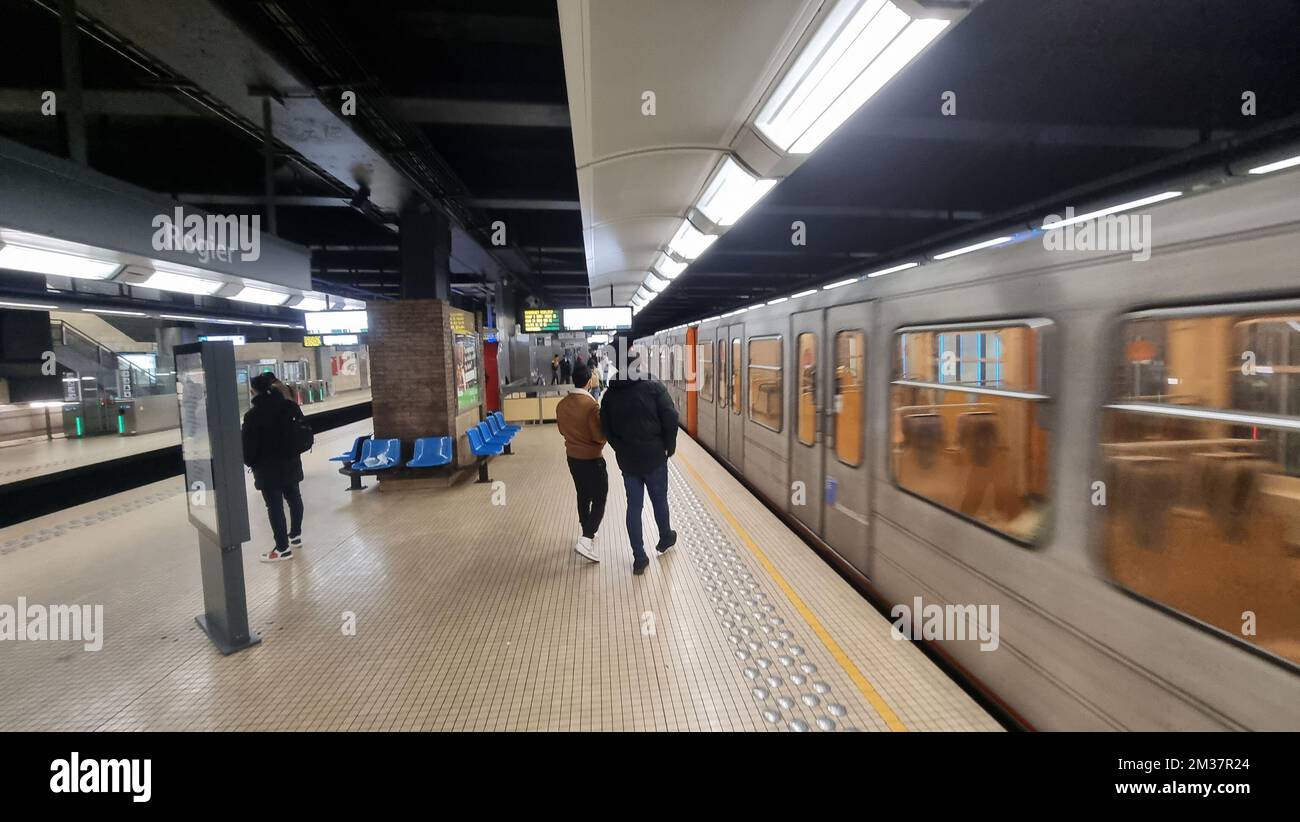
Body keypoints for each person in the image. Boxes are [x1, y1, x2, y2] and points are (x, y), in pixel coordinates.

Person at [600, 344, 678, 575]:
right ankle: (665, 537)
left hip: (628, 461)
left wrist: (620, 448)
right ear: (638, 365)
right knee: (659, 500)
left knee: (634, 506)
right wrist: (668, 447)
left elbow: (606, 428)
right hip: (654, 456)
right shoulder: (653, 387)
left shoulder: (609, 395)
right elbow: (671, 417)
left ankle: (639, 557)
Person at [242, 371, 306, 562]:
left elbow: (248, 446)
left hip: (267, 468)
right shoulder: (290, 407)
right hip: (291, 462)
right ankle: (295, 535)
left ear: (254, 391)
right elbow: (302, 432)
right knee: (294, 497)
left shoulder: (252, 416)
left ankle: (282, 549)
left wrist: (251, 462)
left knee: (274, 506)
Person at [556, 362, 607, 563]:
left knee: (583, 494)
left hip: (572, 458)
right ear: (588, 382)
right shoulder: (591, 405)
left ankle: (587, 532)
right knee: (600, 496)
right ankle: (587, 538)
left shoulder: (562, 405)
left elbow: (561, 430)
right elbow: (599, 436)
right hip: (592, 459)